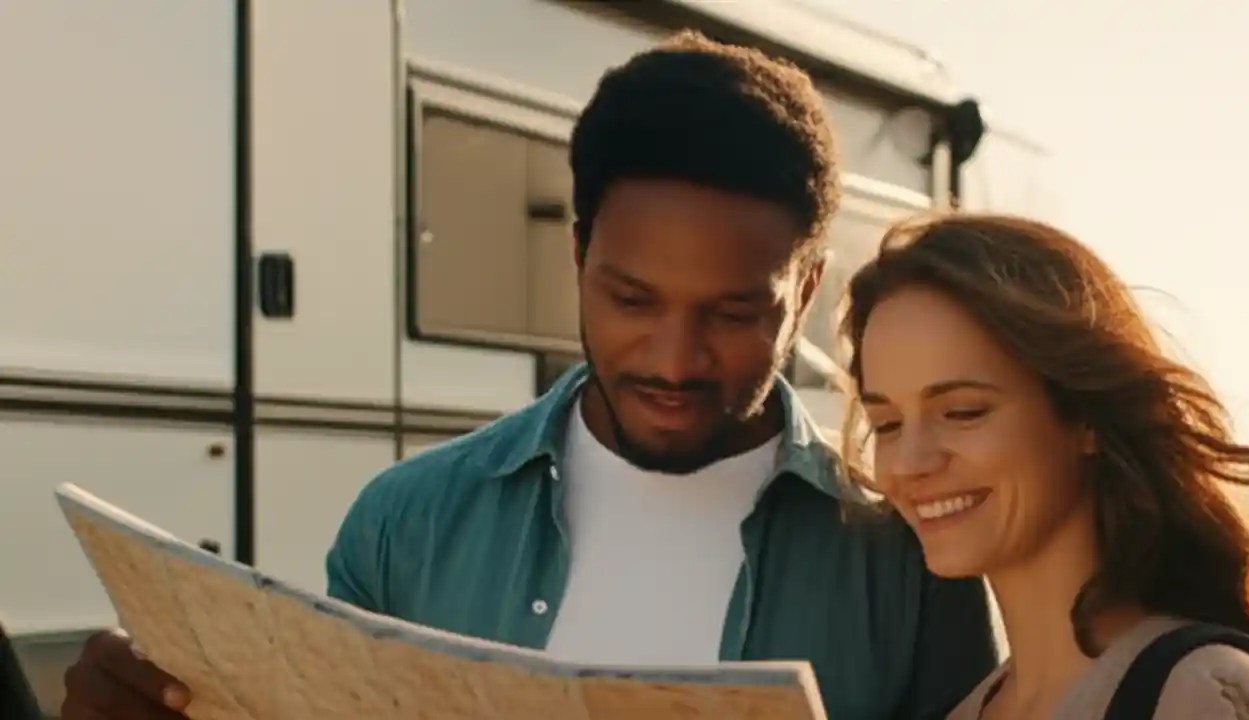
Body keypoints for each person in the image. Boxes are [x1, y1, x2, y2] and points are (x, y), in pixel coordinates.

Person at [59, 31, 998, 719]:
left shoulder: (909, 560)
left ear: (805, 295)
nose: (674, 361)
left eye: (733, 313)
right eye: (632, 299)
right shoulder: (407, 524)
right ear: (578, 254)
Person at [839, 211, 1249, 719]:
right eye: (888, 424)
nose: (911, 462)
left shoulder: (1195, 695)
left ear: (1085, 416)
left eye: (963, 412)